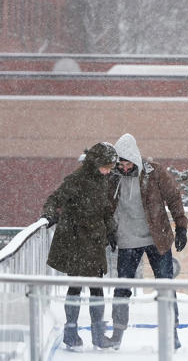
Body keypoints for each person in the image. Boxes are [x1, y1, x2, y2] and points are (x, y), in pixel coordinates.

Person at [106, 133, 188, 350]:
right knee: (122, 288)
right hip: (127, 239)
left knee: (165, 286)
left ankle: (172, 333)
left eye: (128, 164)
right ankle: (117, 334)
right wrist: (109, 231)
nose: (124, 168)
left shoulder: (154, 172)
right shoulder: (112, 178)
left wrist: (181, 227)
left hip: (157, 237)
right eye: (121, 165)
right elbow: (105, 207)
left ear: (135, 158)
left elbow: (174, 197)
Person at [41, 142, 118, 350]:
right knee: (76, 287)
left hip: (95, 242)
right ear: (96, 163)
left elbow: (105, 209)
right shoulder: (76, 180)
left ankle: (97, 334)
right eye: (106, 167)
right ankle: (72, 333)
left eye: (110, 168)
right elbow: (55, 199)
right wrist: (48, 215)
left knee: (96, 288)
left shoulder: (101, 181)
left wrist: (111, 230)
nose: (108, 171)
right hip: (76, 241)